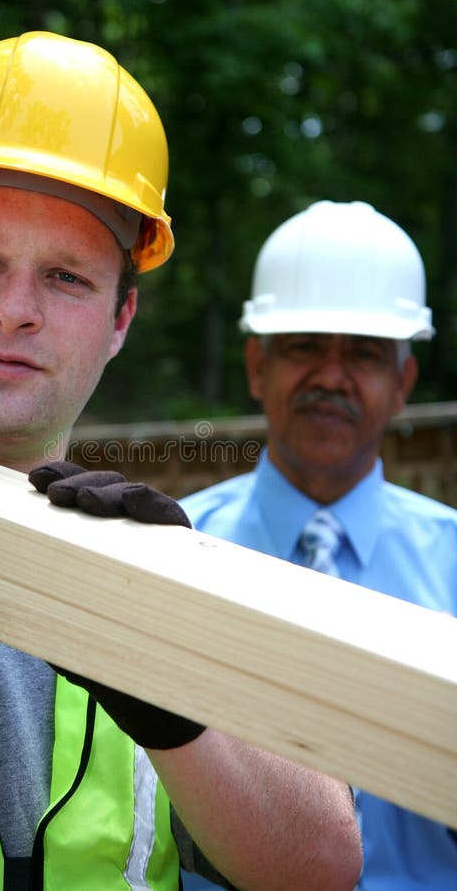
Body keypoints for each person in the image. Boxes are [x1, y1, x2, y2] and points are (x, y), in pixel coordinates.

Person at [0, 34, 361, 889]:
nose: (14, 311)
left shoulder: (158, 555)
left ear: (121, 318)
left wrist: (173, 688)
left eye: (65, 278)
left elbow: (318, 868)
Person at [182, 199, 457, 890]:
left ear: (403, 384)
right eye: (305, 345)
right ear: (256, 365)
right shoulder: (171, 555)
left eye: (363, 354)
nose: (331, 377)